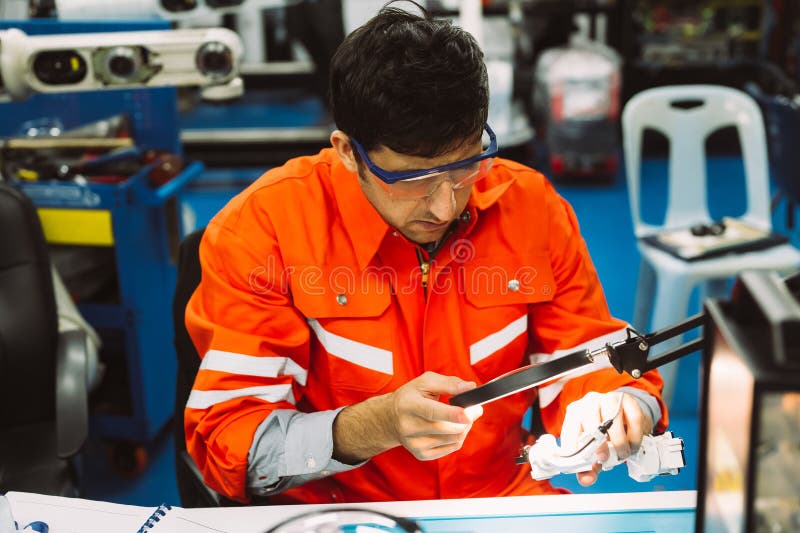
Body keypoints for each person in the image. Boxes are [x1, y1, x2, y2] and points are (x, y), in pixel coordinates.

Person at [184, 2, 666, 504]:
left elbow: (589, 354)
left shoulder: (531, 207)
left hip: (498, 498)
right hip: (343, 509)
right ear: (349, 152)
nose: (445, 205)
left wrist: (620, 404)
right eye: (412, 179)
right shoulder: (265, 230)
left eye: (465, 165)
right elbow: (229, 442)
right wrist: (369, 427)